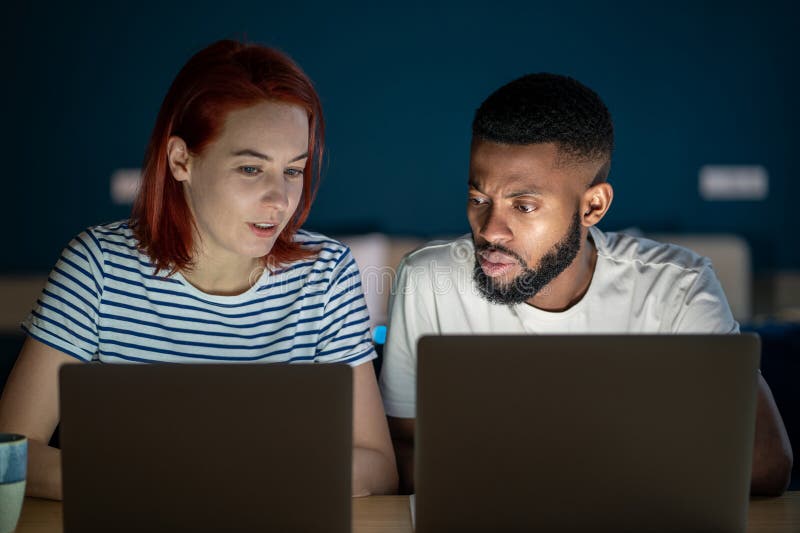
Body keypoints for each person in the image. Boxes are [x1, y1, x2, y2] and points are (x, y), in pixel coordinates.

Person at [0, 40, 397, 499]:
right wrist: (156, 483)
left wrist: (249, 482)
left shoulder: (327, 273)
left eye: (293, 171)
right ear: (180, 160)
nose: (280, 200)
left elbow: (377, 466)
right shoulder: (98, 266)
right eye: (251, 169)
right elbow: (11, 450)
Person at [379, 73, 793, 495]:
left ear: (593, 206)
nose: (490, 231)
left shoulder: (678, 288)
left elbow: (764, 463)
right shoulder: (426, 279)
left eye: (523, 206)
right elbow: (405, 443)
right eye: (479, 200)